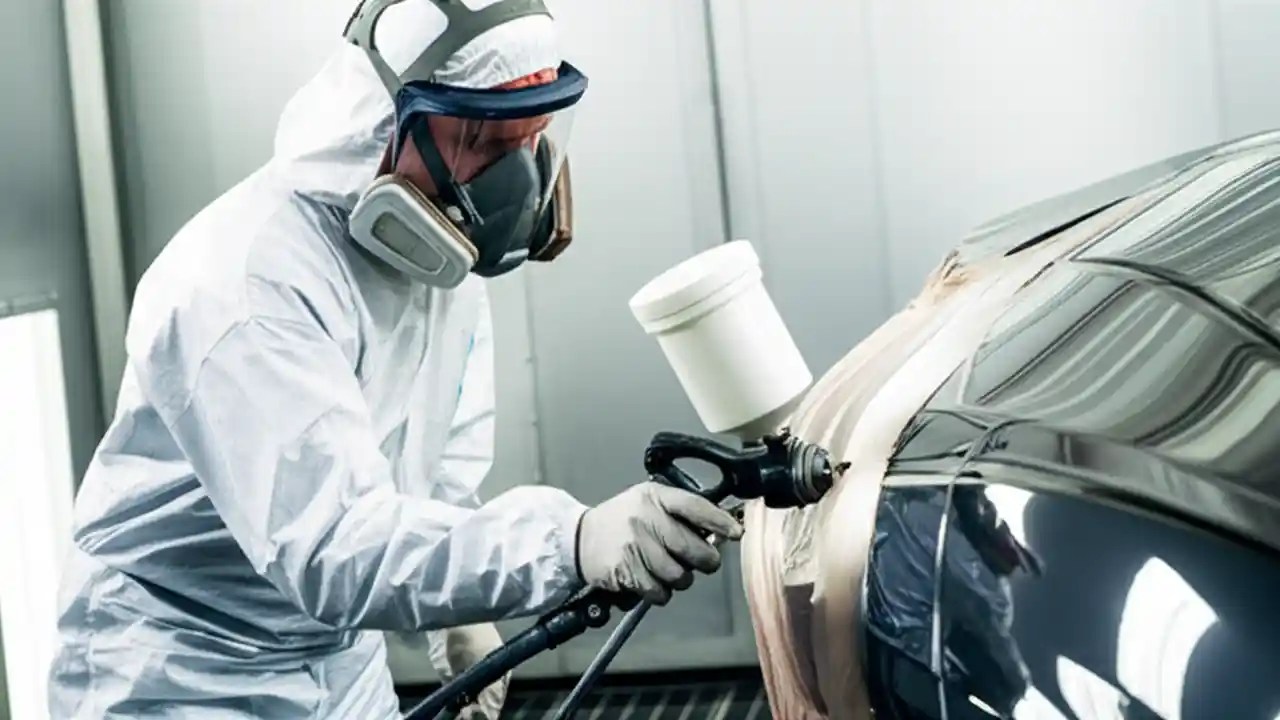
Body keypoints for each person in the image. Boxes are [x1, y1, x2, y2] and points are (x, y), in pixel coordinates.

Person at [46, 1, 743, 718]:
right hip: (182, 677)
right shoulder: (243, 284)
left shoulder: (434, 255)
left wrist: (458, 613)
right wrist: (566, 540)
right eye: (486, 139)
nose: (519, 181)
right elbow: (333, 547)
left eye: (533, 136)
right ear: (387, 123)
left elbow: (439, 465)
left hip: (337, 665)